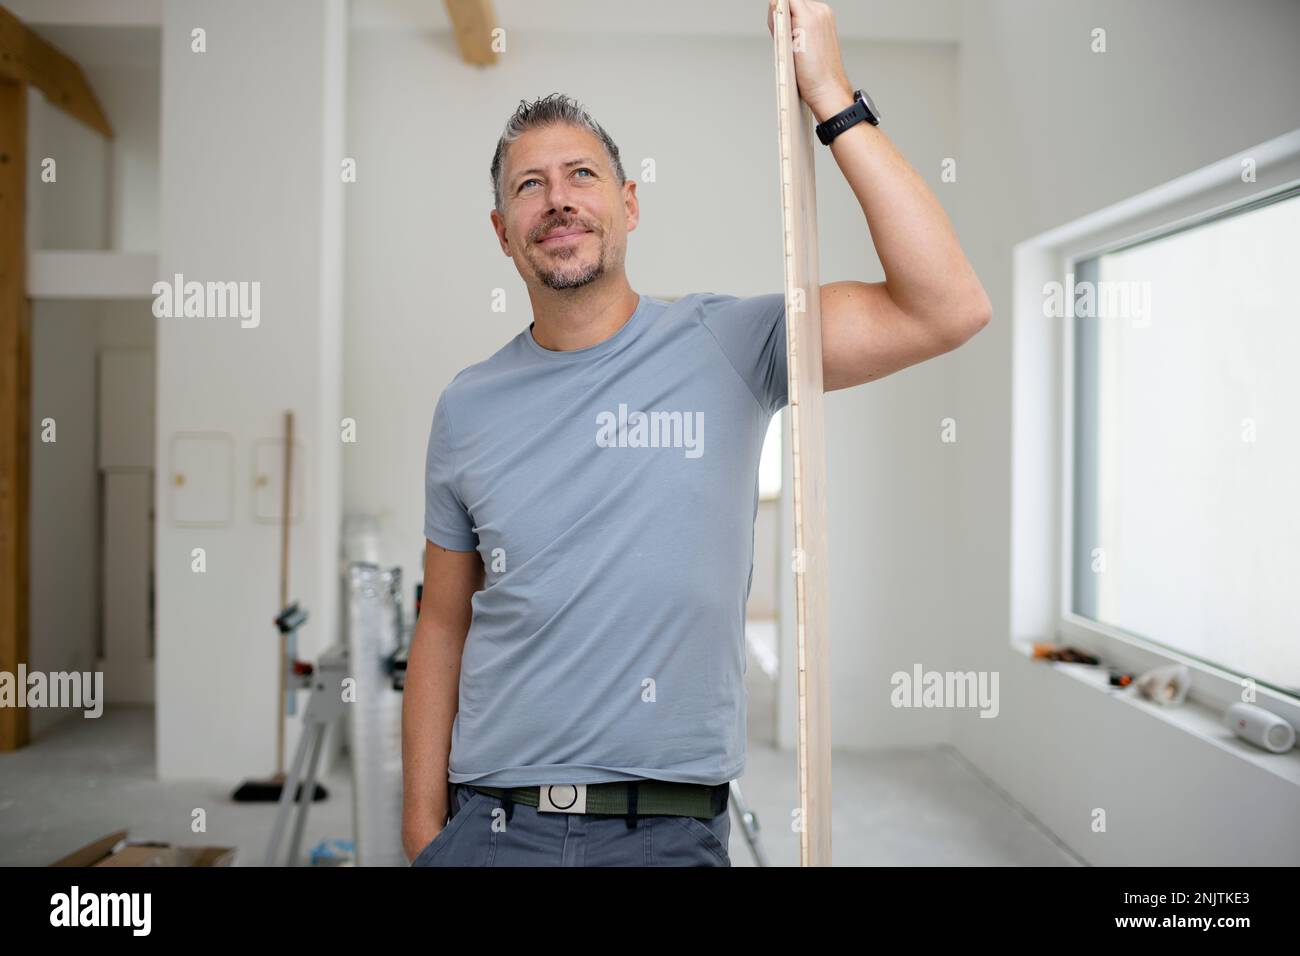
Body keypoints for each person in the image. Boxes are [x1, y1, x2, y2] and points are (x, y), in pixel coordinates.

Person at [402, 0, 991, 867]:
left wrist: (830, 92)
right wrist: (422, 836)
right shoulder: (467, 407)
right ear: (503, 233)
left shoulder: (730, 344)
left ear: (629, 205)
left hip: (666, 831)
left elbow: (947, 306)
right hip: (492, 825)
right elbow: (442, 625)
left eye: (582, 175)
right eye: (529, 186)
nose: (558, 200)